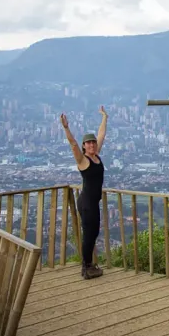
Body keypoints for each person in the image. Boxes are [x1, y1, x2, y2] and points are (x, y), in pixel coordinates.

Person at [60, 106, 108, 279]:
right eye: (88, 143)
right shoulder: (83, 160)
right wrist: (66, 128)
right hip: (87, 203)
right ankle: (86, 267)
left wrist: (104, 117)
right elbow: (73, 144)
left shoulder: (96, 156)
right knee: (89, 234)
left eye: (93, 142)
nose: (92, 144)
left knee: (93, 233)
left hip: (92, 202)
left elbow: (101, 134)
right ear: (84, 146)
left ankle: (88, 264)